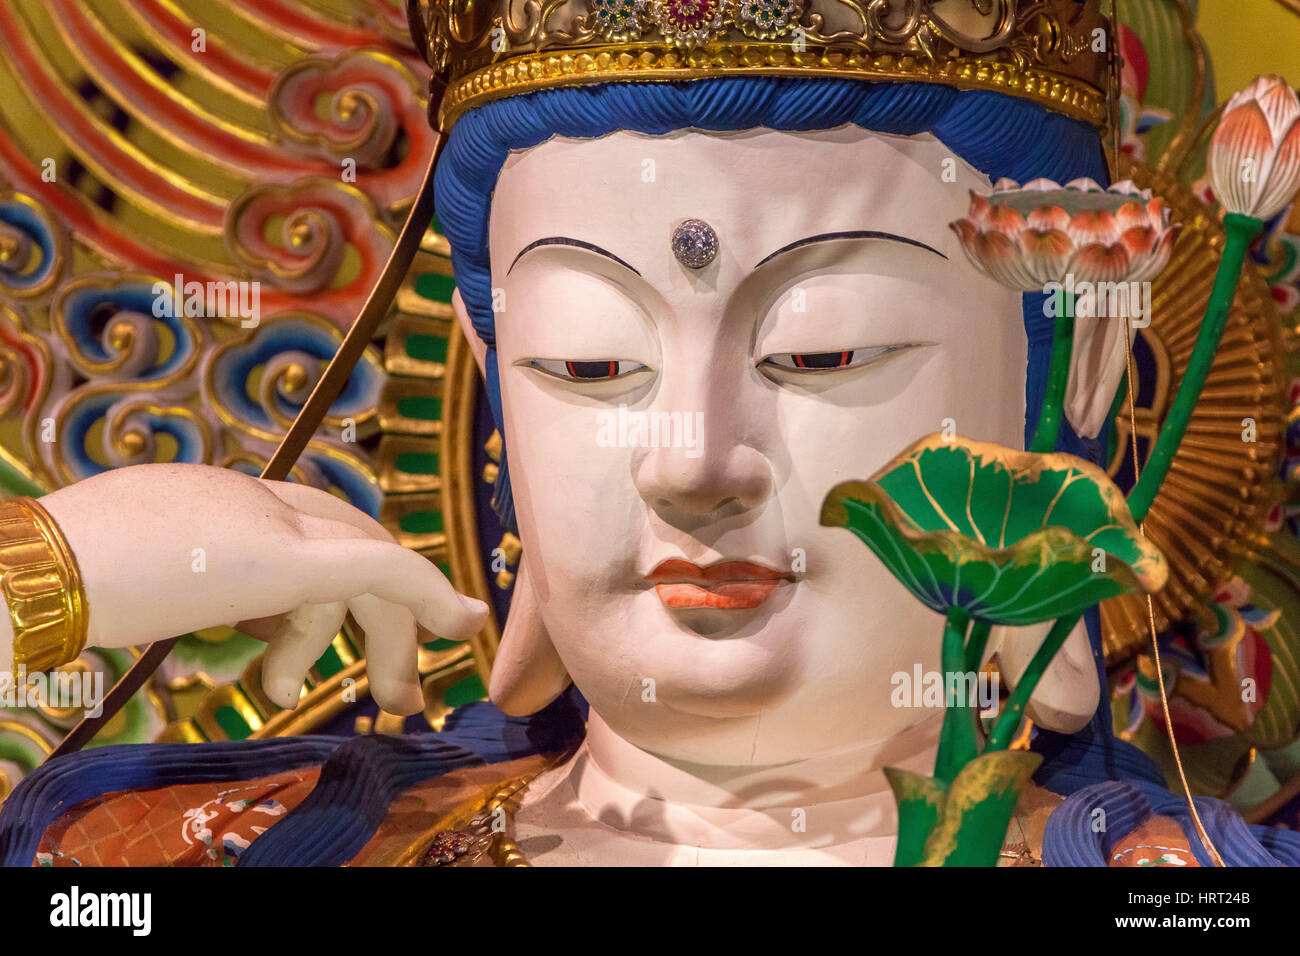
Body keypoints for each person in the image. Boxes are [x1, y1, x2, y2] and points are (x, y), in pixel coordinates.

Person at [1, 0, 1296, 866]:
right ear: (495, 376)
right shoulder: (213, 848)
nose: (693, 462)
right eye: (589, 361)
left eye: (823, 350)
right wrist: (44, 581)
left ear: (1078, 363)